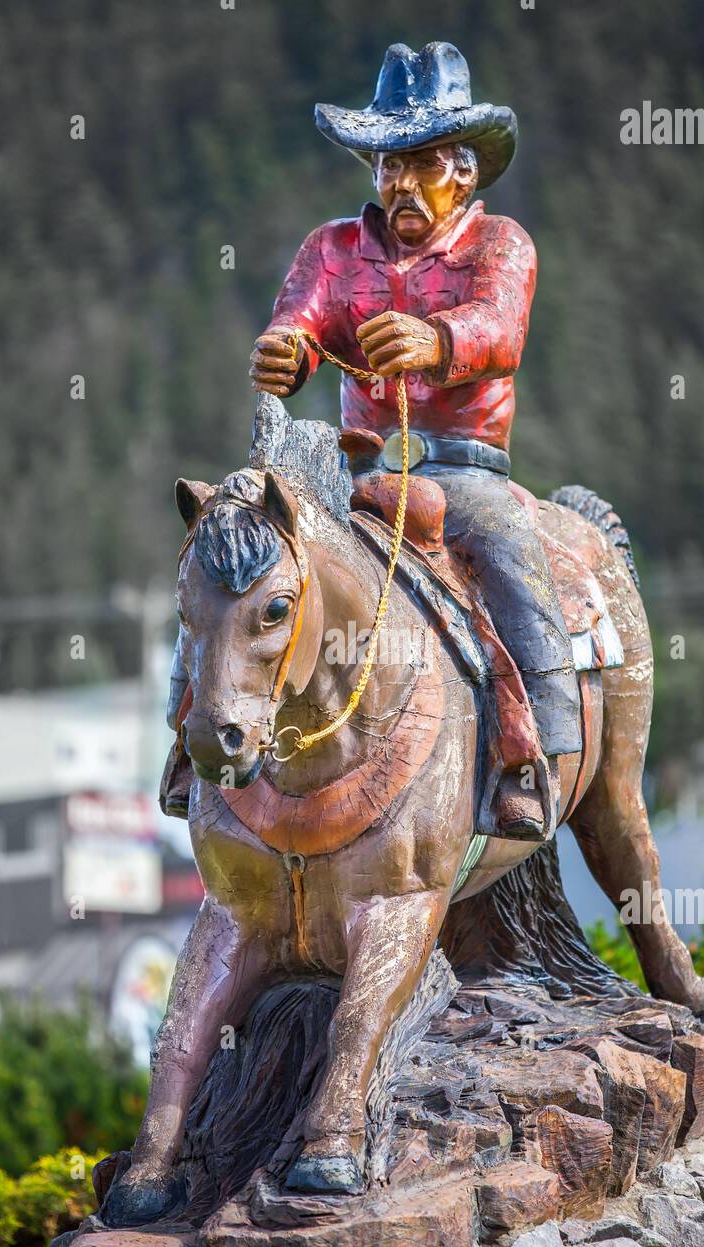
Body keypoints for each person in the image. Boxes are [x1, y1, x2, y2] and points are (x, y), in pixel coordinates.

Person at [247, 41, 579, 838]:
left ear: (462, 170)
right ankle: (199, 734)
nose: (398, 181)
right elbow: (296, 319)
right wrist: (284, 352)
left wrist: (438, 339)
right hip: (353, 471)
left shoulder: (500, 245)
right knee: (246, 547)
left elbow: (500, 326)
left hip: (462, 472)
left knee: (506, 554)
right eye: (385, 164)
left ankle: (538, 754)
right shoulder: (332, 251)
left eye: (418, 161)